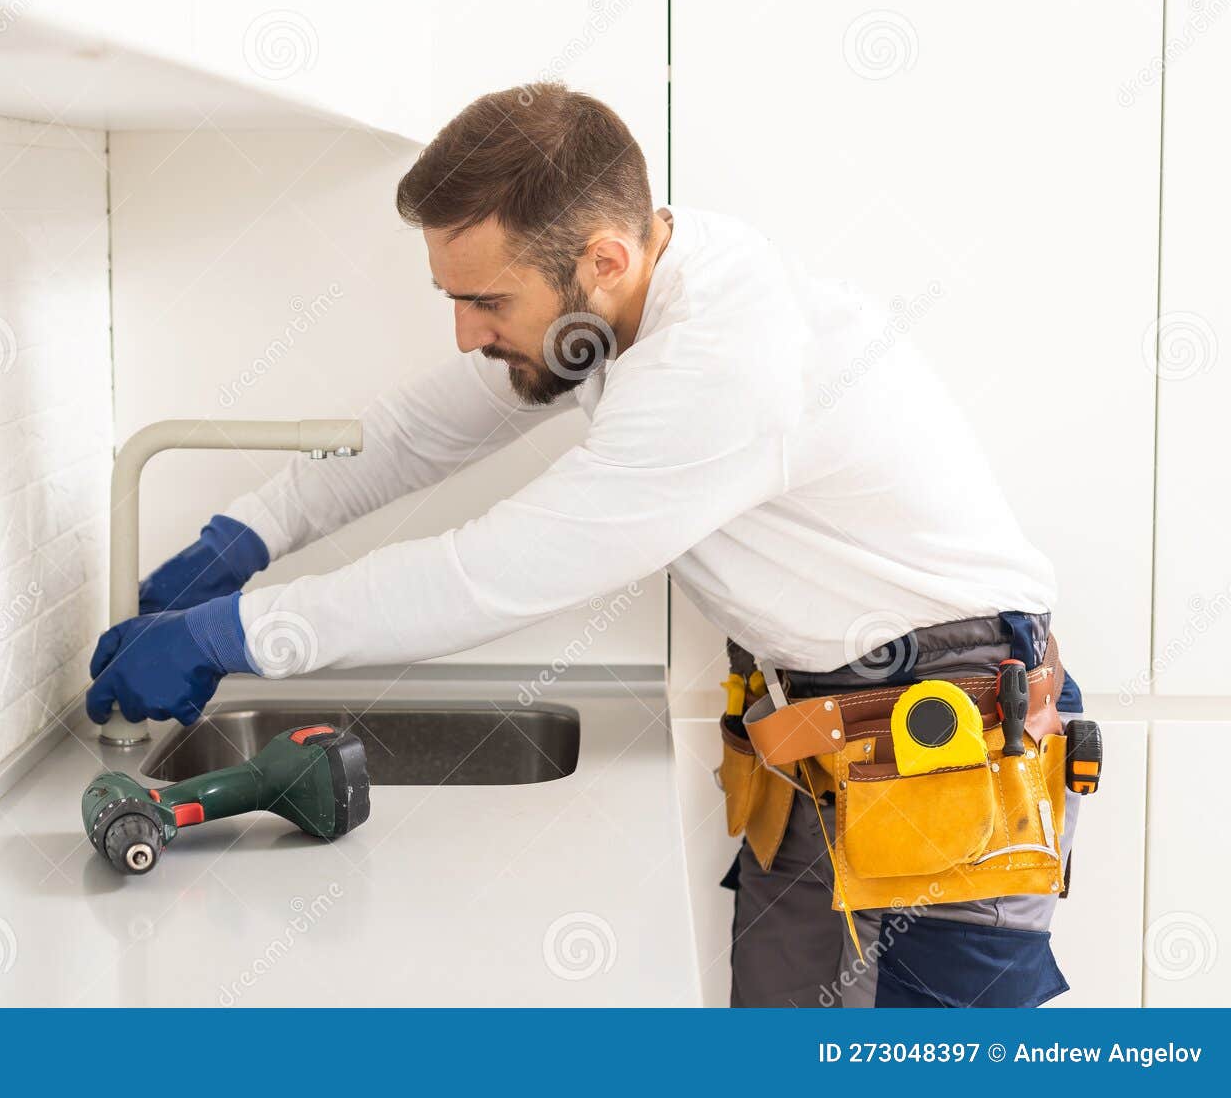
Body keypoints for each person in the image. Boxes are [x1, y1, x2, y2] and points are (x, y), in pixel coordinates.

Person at [86, 82, 1084, 1007]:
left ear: (601, 259)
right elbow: (414, 435)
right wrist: (244, 536)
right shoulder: (619, 300)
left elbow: (488, 573)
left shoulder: (723, 365)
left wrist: (231, 636)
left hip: (946, 742)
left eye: (486, 301)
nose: (466, 334)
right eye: (453, 299)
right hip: (811, 740)